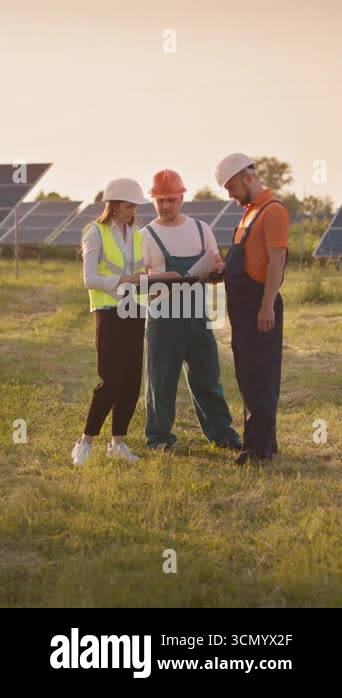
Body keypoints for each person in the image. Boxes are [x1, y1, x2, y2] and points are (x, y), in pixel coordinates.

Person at [141, 169, 242, 452]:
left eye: (171, 199)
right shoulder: (146, 236)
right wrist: (166, 280)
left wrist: (217, 270)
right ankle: (159, 438)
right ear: (153, 200)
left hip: (197, 316)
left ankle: (223, 435)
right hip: (163, 318)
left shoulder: (201, 230)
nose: (165, 206)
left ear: (182, 197)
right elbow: (135, 280)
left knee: (208, 379)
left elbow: (216, 263)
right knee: (161, 381)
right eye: (160, 200)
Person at [215, 153, 290, 465]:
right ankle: (264, 443)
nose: (230, 195)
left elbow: (276, 262)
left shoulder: (274, 212)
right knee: (248, 375)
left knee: (261, 375)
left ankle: (258, 449)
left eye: (231, 187)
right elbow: (246, 260)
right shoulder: (249, 213)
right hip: (244, 309)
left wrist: (267, 306)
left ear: (247, 176)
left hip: (260, 305)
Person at [71, 178, 149, 466]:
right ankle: (85, 442)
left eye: (135, 206)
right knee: (111, 380)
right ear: (114, 206)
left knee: (131, 380)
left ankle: (118, 443)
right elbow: (89, 278)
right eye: (128, 206)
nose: (132, 211)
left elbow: (144, 271)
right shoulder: (95, 232)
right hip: (108, 311)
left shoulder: (139, 235)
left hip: (134, 310)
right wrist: (123, 280)